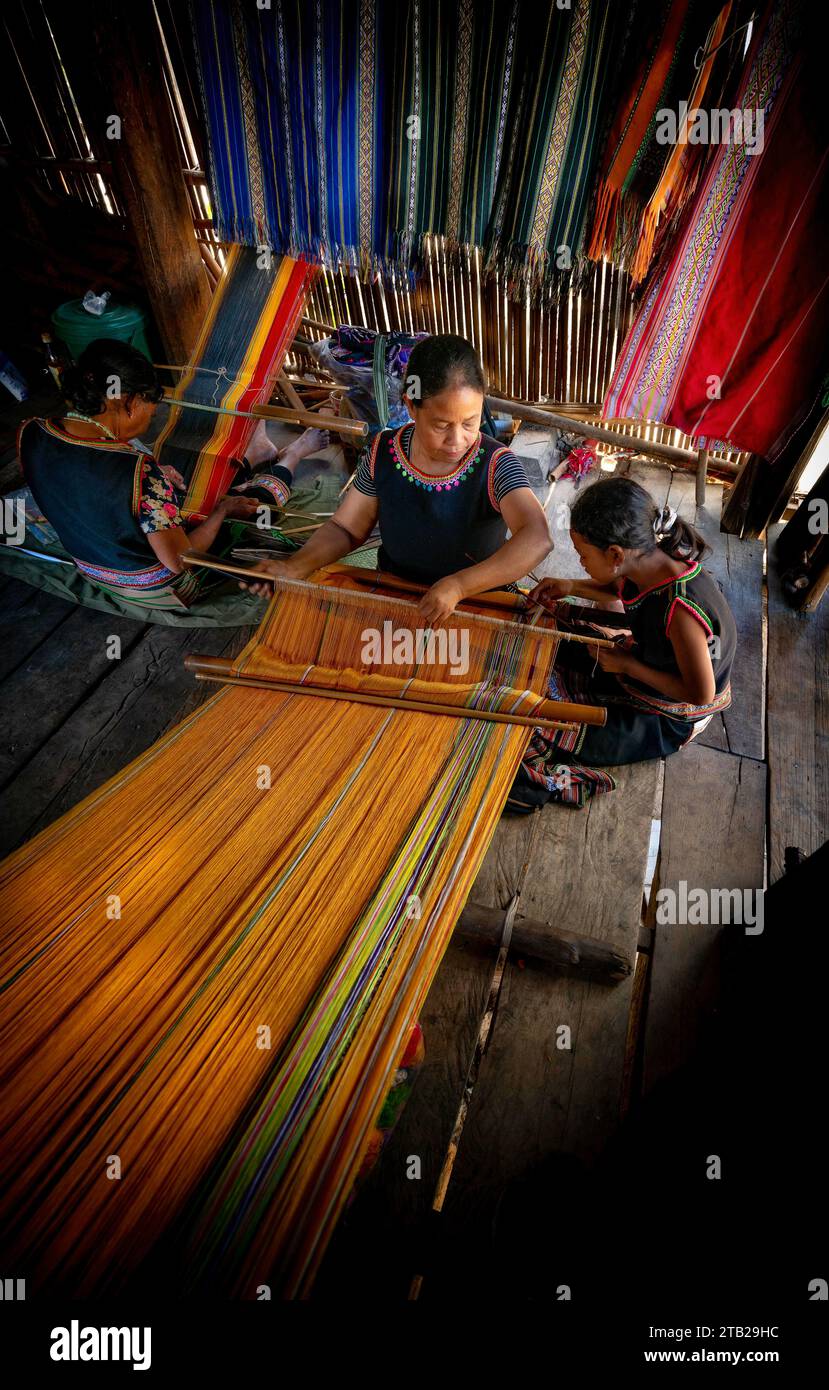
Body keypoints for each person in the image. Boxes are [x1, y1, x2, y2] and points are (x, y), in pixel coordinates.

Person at [241, 333, 551, 623]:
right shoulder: (385, 452)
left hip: (473, 604)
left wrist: (458, 586)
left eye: (470, 423)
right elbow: (346, 528)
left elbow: (536, 538)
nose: (457, 440)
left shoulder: (496, 464)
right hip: (394, 593)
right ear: (410, 406)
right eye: (442, 425)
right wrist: (295, 566)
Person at [18, 339, 325, 610]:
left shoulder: (31, 432)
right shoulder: (136, 469)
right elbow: (179, 562)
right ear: (130, 402)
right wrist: (222, 511)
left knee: (192, 488)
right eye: (149, 413)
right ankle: (293, 455)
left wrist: (150, 481)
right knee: (248, 504)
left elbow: (78, 481)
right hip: (157, 589)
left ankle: (255, 454)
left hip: (93, 568)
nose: (148, 422)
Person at [517, 474, 737, 797]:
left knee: (559, 731)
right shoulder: (647, 561)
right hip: (647, 662)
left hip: (672, 713)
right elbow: (616, 586)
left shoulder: (679, 610)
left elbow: (700, 693)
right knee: (558, 642)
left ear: (616, 555)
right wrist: (572, 586)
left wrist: (627, 667)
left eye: (583, 555)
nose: (580, 562)